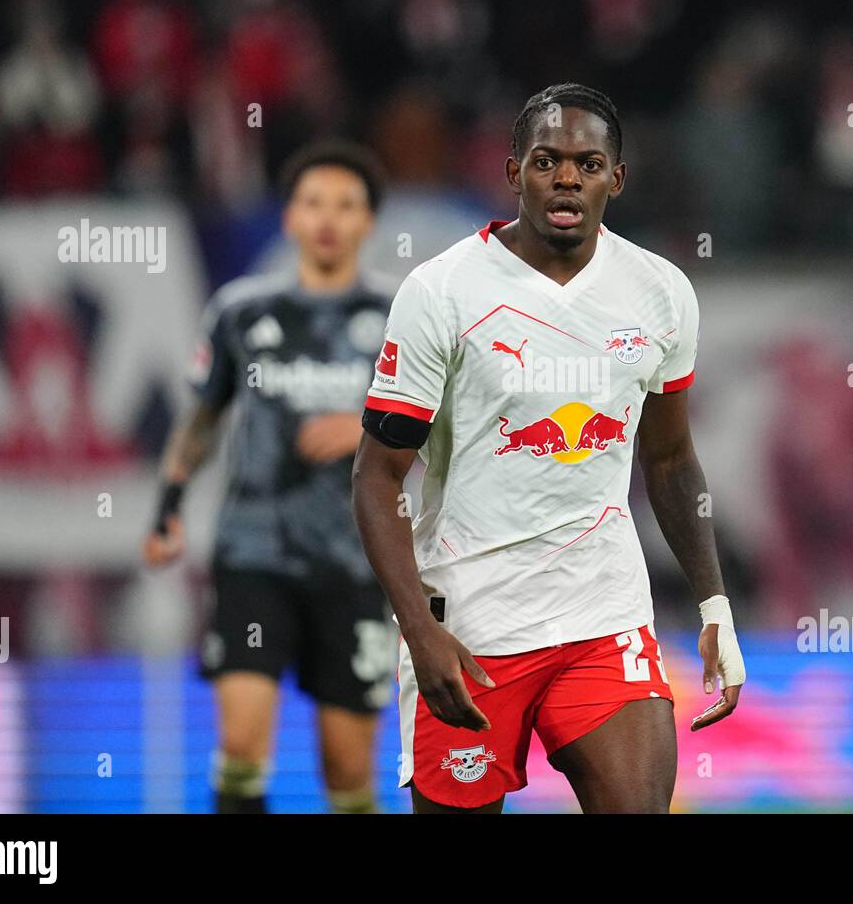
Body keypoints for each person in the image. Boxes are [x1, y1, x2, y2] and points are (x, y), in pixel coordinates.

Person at [352, 84, 745, 814]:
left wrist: (714, 604)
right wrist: (419, 631)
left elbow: (670, 460)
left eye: (588, 163)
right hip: (470, 630)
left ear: (616, 179)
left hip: (602, 616)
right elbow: (376, 477)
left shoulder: (660, 293)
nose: (567, 178)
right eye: (547, 161)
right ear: (513, 173)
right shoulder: (441, 292)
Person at [142, 140, 397, 813]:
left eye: (346, 205)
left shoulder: (404, 319)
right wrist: (168, 505)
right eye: (313, 202)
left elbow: (447, 435)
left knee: (347, 772)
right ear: (288, 217)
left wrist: (367, 428)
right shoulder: (241, 311)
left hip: (359, 562)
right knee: (242, 745)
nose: (328, 218)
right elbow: (200, 419)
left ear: (368, 221)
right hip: (254, 554)